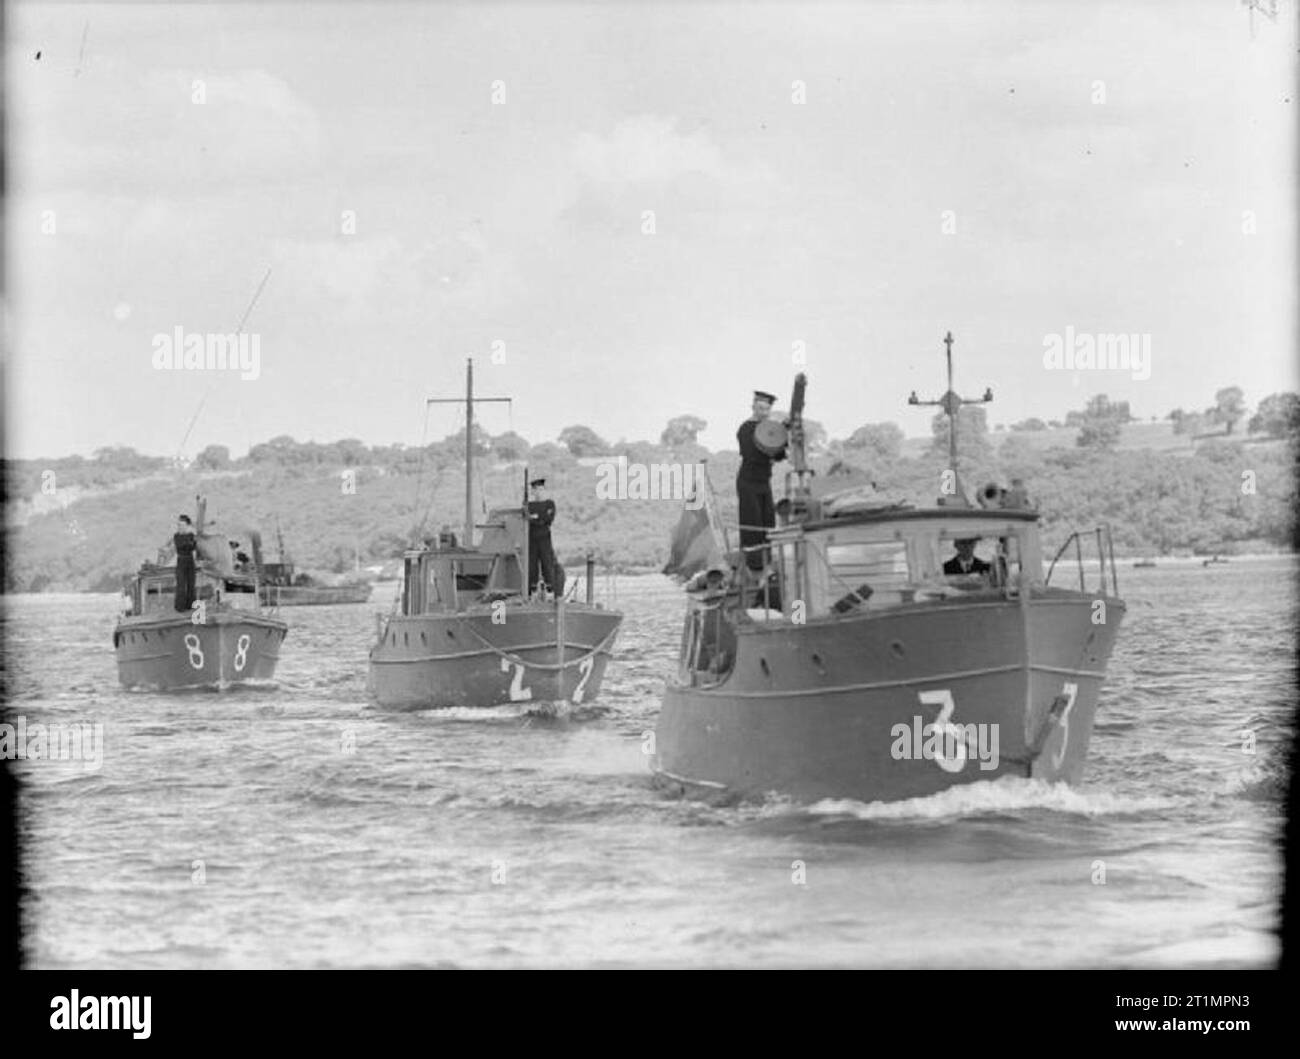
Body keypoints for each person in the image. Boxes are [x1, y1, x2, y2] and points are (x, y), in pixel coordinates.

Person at [736, 390, 786, 574]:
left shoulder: (769, 428)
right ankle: (754, 566)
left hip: (764, 481)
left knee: (767, 521)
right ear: (753, 407)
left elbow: (780, 453)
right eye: (760, 408)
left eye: (766, 409)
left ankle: (767, 562)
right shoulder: (746, 429)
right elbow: (751, 453)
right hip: (748, 481)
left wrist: (782, 434)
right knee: (752, 522)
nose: (763, 412)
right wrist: (770, 452)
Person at [526, 478, 564, 597]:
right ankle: (532, 588)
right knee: (532, 565)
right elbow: (527, 519)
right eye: (535, 489)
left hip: (544, 538)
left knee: (547, 563)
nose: (537, 492)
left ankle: (550, 589)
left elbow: (548, 519)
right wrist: (538, 518)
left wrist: (535, 518)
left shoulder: (549, 504)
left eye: (539, 489)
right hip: (532, 538)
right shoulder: (529, 505)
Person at [173, 515, 198, 611]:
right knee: (181, 584)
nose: (180, 527)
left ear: (187, 526)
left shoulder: (191, 535)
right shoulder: (176, 536)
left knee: (191, 584)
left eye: (182, 525)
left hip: (190, 561)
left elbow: (194, 547)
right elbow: (182, 545)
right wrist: (191, 542)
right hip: (181, 561)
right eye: (179, 525)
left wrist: (194, 541)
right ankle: (180, 607)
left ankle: (191, 606)